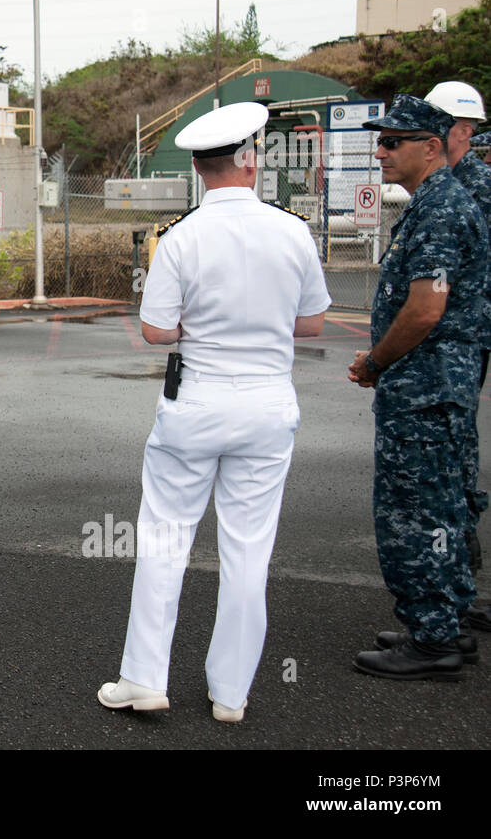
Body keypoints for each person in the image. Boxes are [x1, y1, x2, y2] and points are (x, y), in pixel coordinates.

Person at [97, 102, 331, 722]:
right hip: (267, 404)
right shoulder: (293, 231)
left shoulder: (180, 236)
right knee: (249, 551)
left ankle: (144, 678)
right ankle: (230, 694)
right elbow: (311, 322)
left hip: (196, 403)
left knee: (165, 540)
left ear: (200, 168)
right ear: (252, 160)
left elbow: (154, 332)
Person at [348, 95, 489, 679]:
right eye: (380, 141)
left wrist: (376, 362)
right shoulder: (438, 201)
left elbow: (426, 309)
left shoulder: (441, 209)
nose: (380, 152)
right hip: (437, 384)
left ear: (431, 147)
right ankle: (445, 622)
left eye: (392, 142)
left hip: (425, 386)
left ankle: (433, 641)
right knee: (442, 505)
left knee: (418, 509)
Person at [423, 81, 491, 631]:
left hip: (462, 341)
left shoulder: (476, 187)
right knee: (453, 453)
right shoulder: (442, 185)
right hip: (452, 342)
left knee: (454, 456)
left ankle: (456, 598)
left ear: (462, 130)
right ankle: (457, 589)